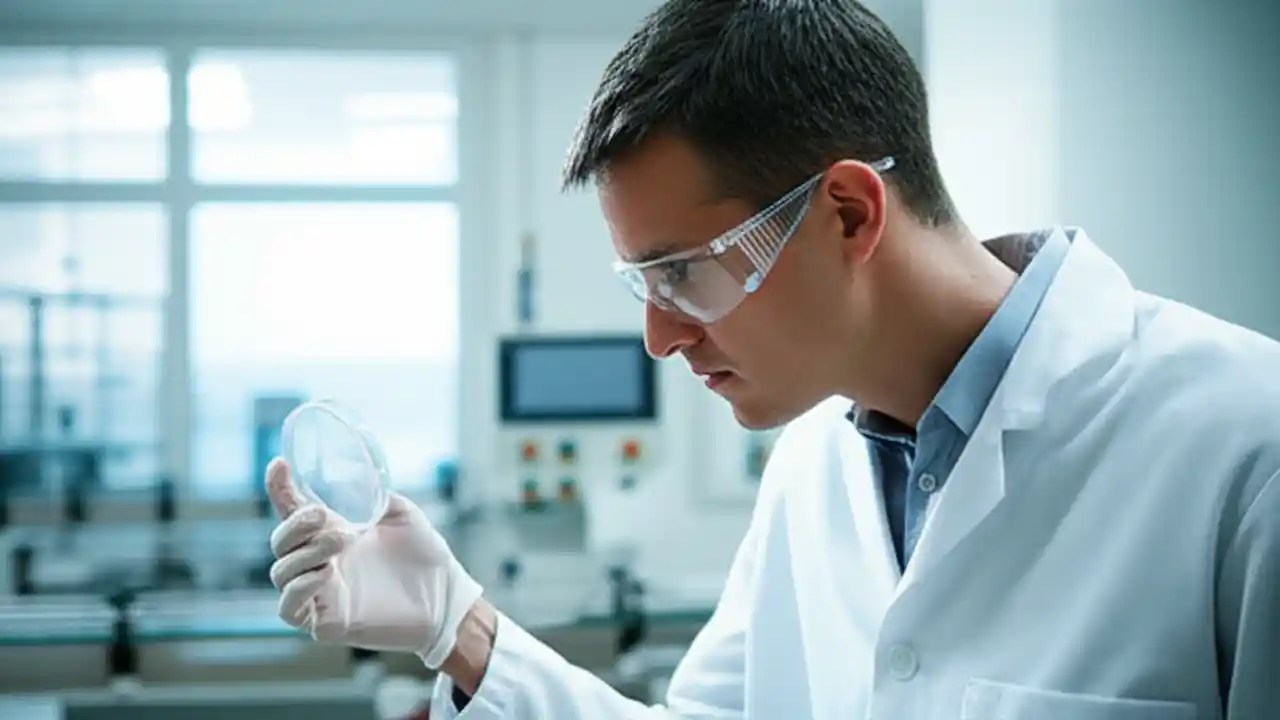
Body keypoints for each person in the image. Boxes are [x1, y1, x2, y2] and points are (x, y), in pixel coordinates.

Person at [264, 0, 1280, 717]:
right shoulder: (814, 467)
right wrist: (459, 629)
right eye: (643, 285)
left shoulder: (1242, 448)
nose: (659, 337)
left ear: (846, 211)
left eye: (683, 275)